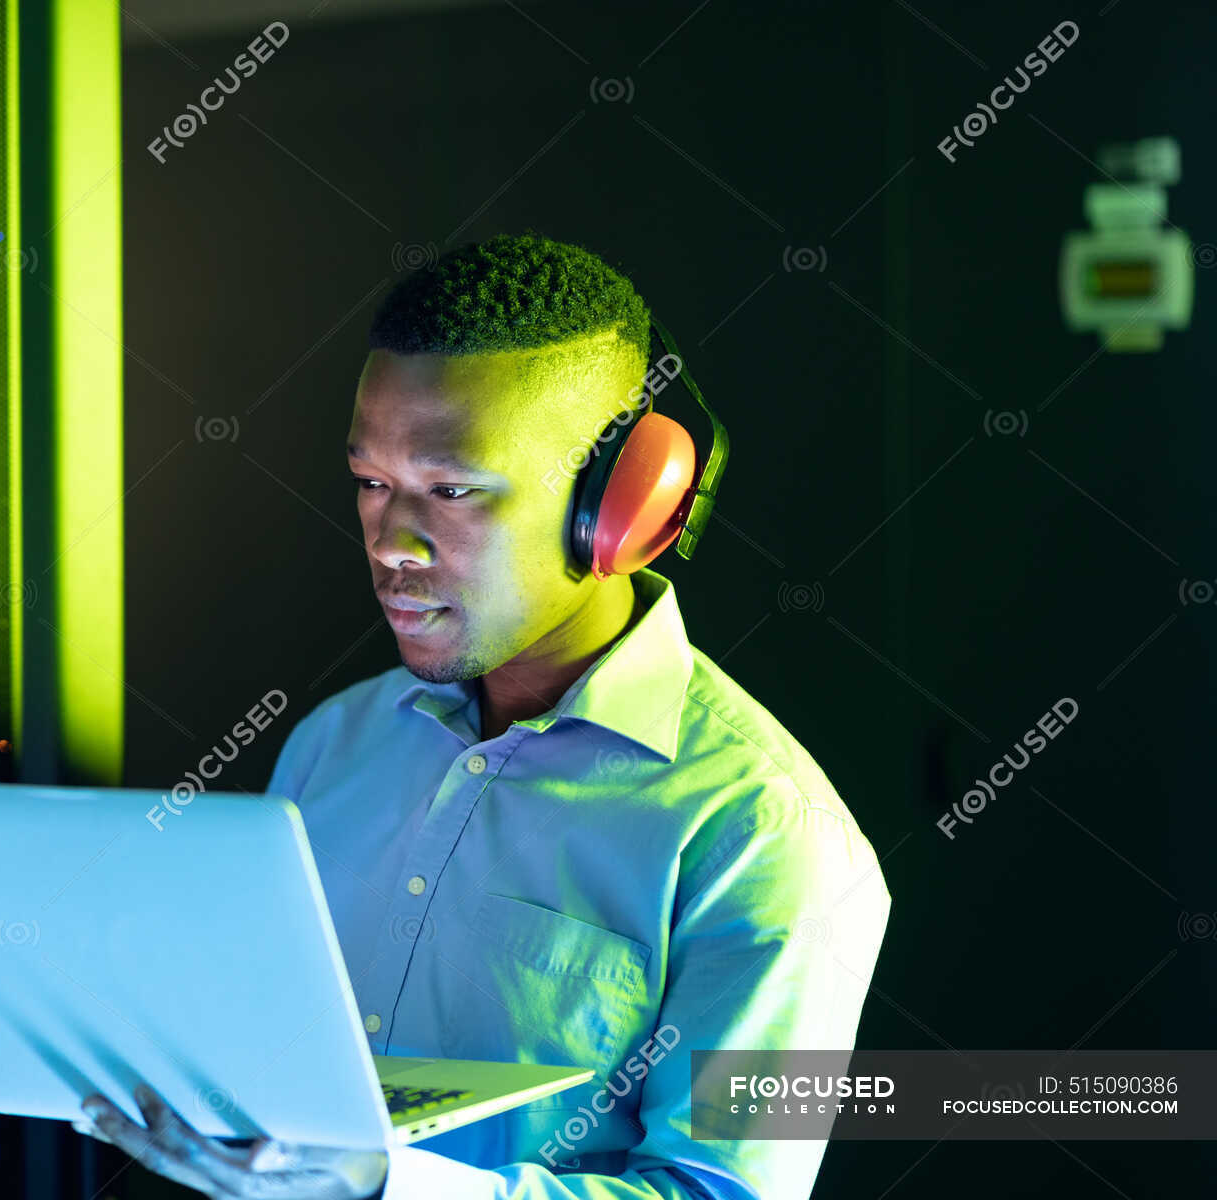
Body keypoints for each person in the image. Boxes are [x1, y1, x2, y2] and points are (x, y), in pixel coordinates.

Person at [79, 232, 893, 1198]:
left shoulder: (764, 832)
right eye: (372, 484)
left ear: (621, 508)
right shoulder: (332, 747)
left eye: (452, 490)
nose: (393, 545)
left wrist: (390, 1187)